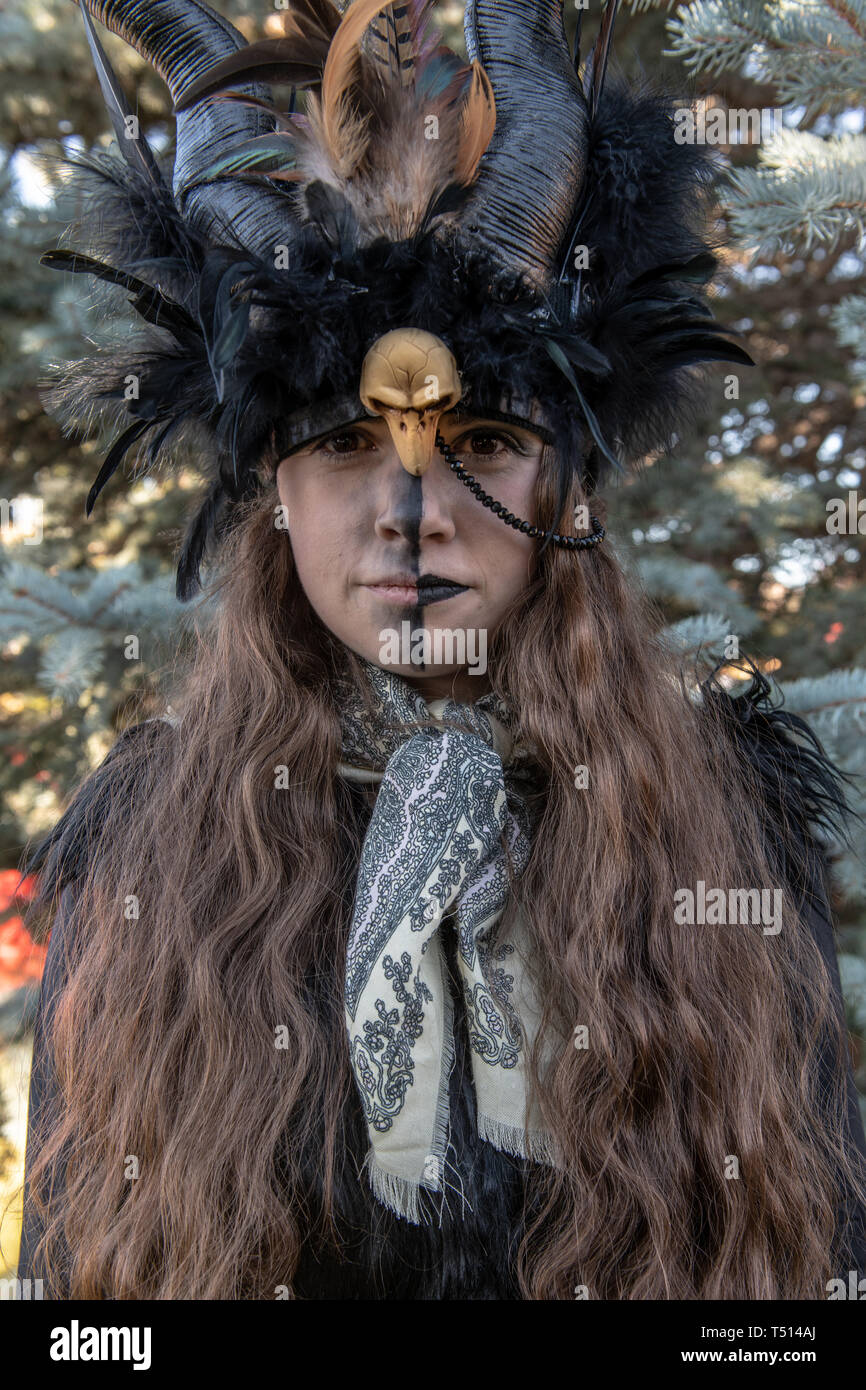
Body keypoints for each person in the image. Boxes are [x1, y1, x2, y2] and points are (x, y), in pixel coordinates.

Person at [15, 0, 866, 1300]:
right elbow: (81, 1300)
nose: (408, 512)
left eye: (480, 442)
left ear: (561, 490)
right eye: (343, 447)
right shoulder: (142, 841)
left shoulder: (732, 819)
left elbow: (818, 1271)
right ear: (274, 499)